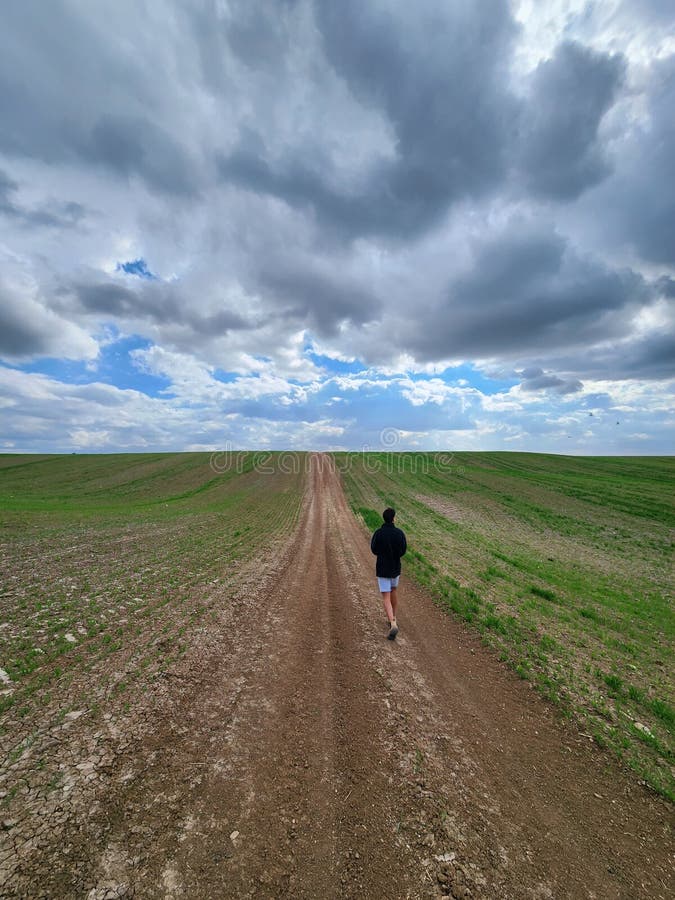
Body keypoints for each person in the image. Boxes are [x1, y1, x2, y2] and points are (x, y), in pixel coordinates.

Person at [371, 507, 407, 640]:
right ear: (393, 518)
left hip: (382, 568)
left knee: (386, 596)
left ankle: (392, 623)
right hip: (395, 568)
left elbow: (374, 549)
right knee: (393, 591)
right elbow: (403, 550)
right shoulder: (399, 533)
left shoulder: (378, 533)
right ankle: (394, 617)